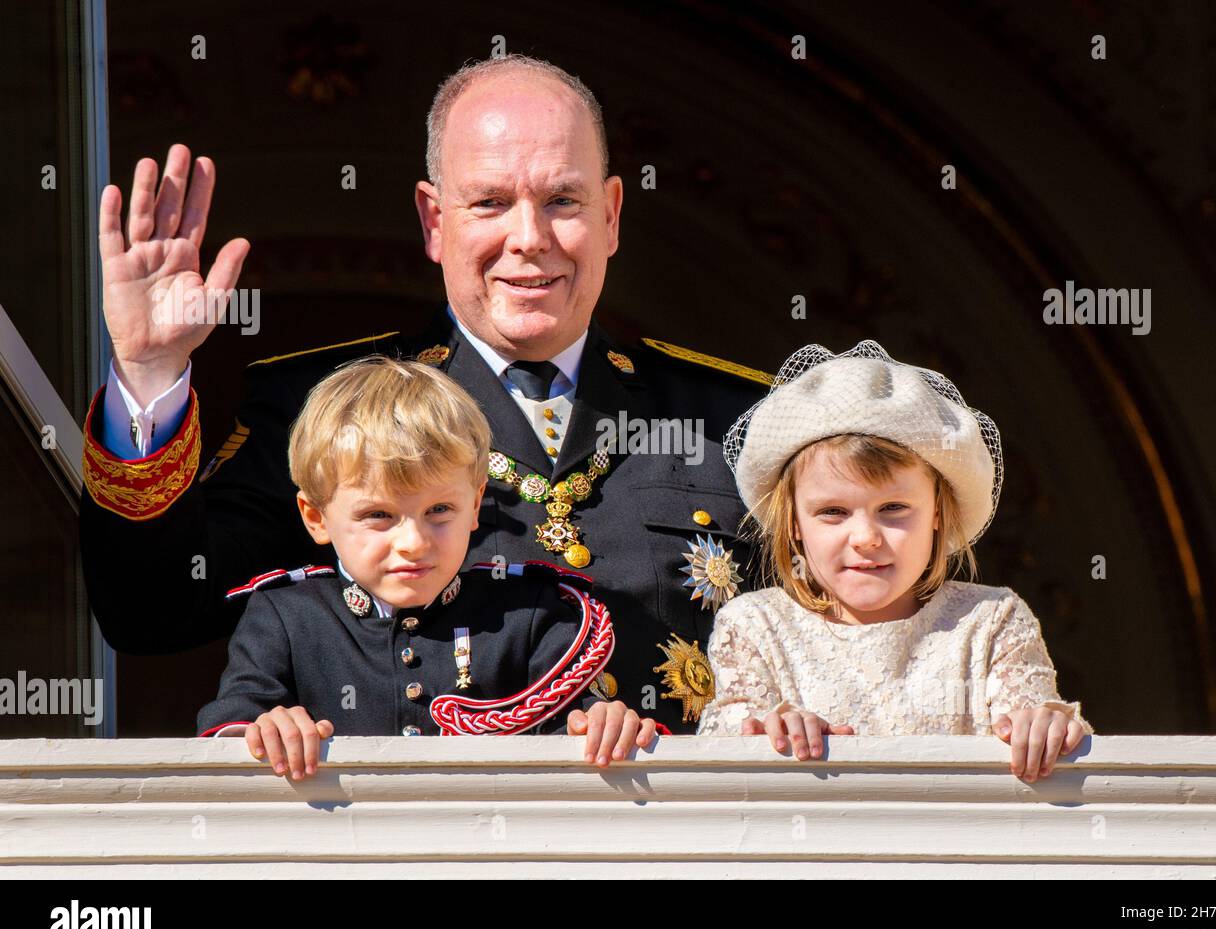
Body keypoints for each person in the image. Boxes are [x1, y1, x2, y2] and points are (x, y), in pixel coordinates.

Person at [80, 54, 767, 758]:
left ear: (612, 214)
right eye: (490, 202)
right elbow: (151, 612)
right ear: (435, 220)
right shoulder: (326, 406)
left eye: (563, 200)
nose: (529, 238)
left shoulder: (742, 419)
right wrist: (149, 371)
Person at [199, 357, 627, 778]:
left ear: (475, 504)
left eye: (439, 509)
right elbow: (233, 725)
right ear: (316, 518)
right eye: (379, 515)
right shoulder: (285, 617)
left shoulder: (532, 613)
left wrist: (606, 725)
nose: (414, 543)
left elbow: (580, 726)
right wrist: (264, 730)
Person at [696, 341, 1093, 782]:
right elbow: (722, 750)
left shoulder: (991, 622)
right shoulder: (755, 627)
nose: (865, 538)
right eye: (832, 512)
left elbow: (1034, 731)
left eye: (893, 509)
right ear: (793, 522)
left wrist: (1045, 728)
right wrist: (767, 733)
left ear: (938, 513)